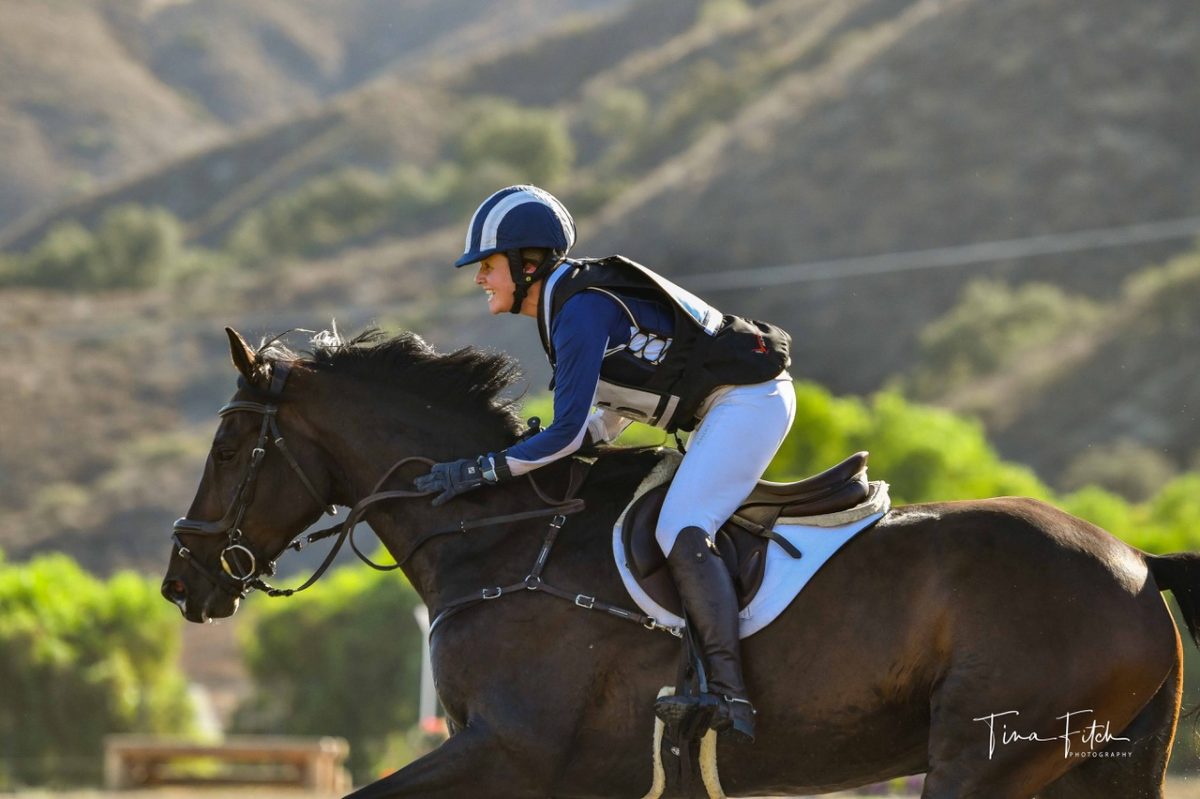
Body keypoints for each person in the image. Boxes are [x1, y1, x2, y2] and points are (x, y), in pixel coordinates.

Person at [415, 184, 796, 742]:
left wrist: (484, 469)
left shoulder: (579, 310)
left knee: (681, 525)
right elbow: (614, 408)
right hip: (728, 401)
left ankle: (727, 690)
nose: (480, 278)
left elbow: (567, 432)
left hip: (749, 401)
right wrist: (541, 451)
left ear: (527, 264)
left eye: (488, 265)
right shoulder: (570, 301)